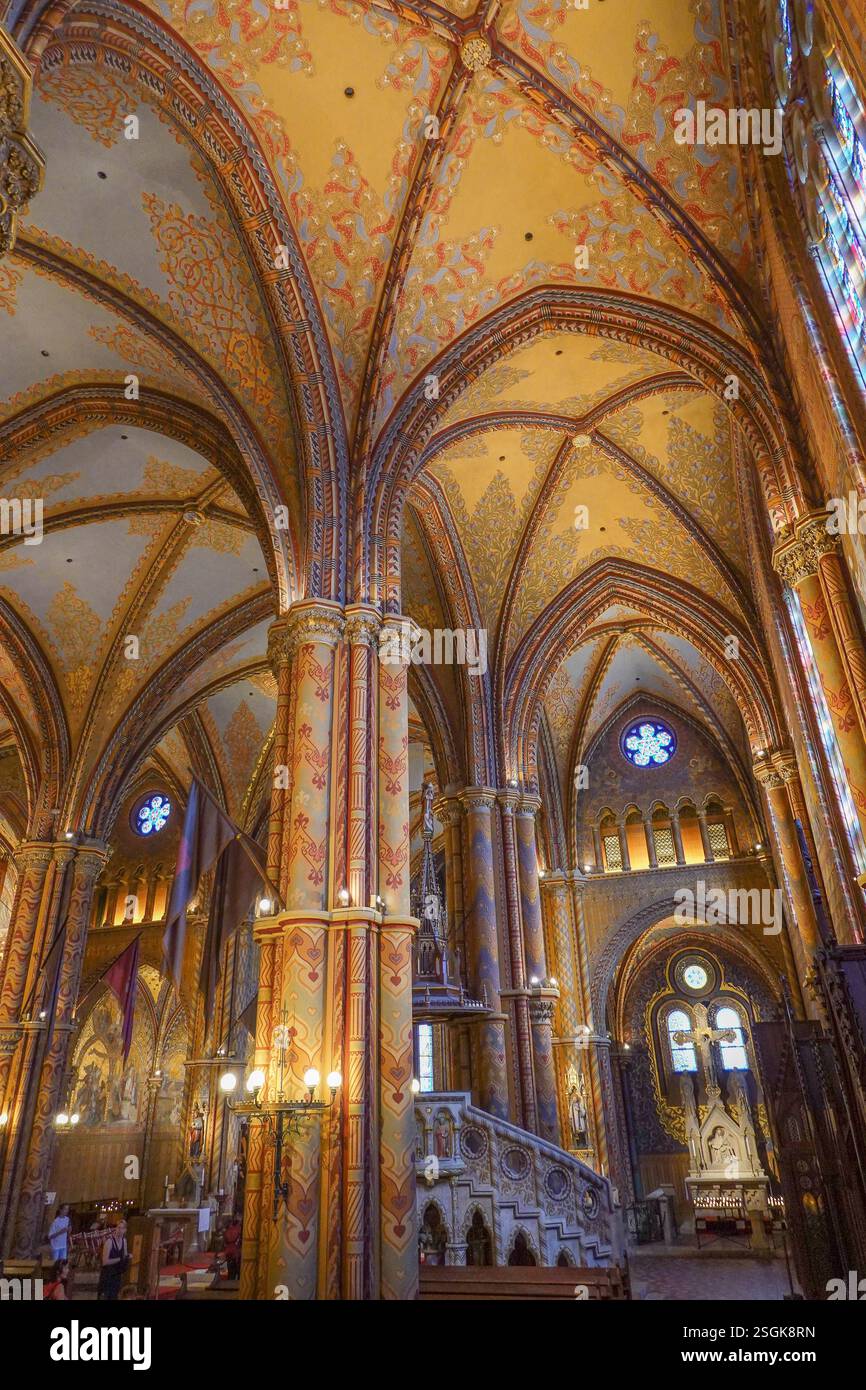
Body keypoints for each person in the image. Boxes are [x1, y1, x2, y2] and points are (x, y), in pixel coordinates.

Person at [97, 1219, 129, 1301]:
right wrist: (120, 1259)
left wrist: (127, 1257)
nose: (119, 1230)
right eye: (118, 1228)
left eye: (122, 1228)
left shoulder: (124, 1241)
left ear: (125, 1230)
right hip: (107, 1275)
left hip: (117, 1275)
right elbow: (105, 1262)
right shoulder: (109, 1241)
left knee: (114, 1296)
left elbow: (124, 1257)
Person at [223, 1215, 242, 1280]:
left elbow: (225, 1241)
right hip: (236, 1252)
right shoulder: (238, 1229)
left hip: (230, 1252)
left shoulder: (227, 1231)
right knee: (237, 1271)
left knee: (231, 1273)